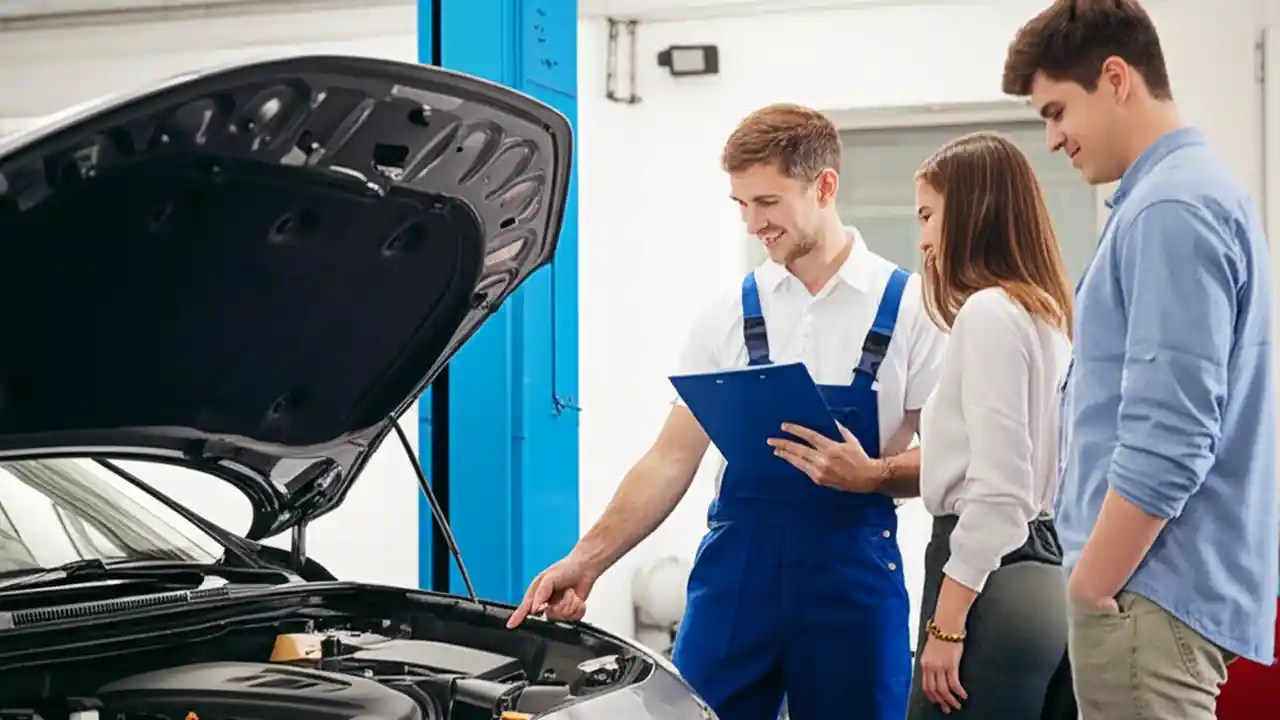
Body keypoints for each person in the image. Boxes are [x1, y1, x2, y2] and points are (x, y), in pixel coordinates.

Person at [506, 103, 948, 720]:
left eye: (767, 202)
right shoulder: (727, 317)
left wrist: (872, 475)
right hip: (736, 583)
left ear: (824, 187)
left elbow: (954, 460)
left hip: (853, 583)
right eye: (741, 205)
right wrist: (585, 563)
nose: (753, 224)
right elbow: (669, 460)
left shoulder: (912, 311)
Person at [1002, 2, 1278, 719]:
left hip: (1143, 593)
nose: (1055, 137)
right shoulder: (1189, 194)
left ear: (1116, 78)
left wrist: (1092, 585)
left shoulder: (1170, 207)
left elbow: (1172, 434)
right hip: (1153, 591)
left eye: (1058, 110)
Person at [898, 131, 1075, 719]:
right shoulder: (1046, 317)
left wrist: (946, 624)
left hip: (989, 577)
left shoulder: (989, 313)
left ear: (972, 212)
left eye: (928, 215)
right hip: (1045, 577)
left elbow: (1000, 491)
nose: (922, 239)